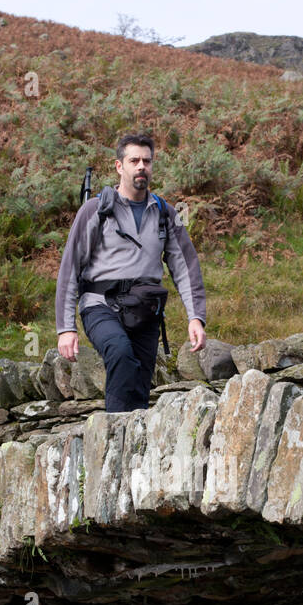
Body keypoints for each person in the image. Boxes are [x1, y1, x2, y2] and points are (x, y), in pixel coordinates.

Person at [55, 132, 207, 412]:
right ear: (119, 166)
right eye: (134, 160)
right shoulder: (95, 210)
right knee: (121, 353)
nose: (141, 167)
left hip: (146, 311)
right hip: (100, 306)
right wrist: (66, 328)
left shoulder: (166, 213)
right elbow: (70, 269)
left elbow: (186, 269)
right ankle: (112, 437)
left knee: (139, 386)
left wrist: (195, 317)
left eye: (146, 161)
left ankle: (131, 447)